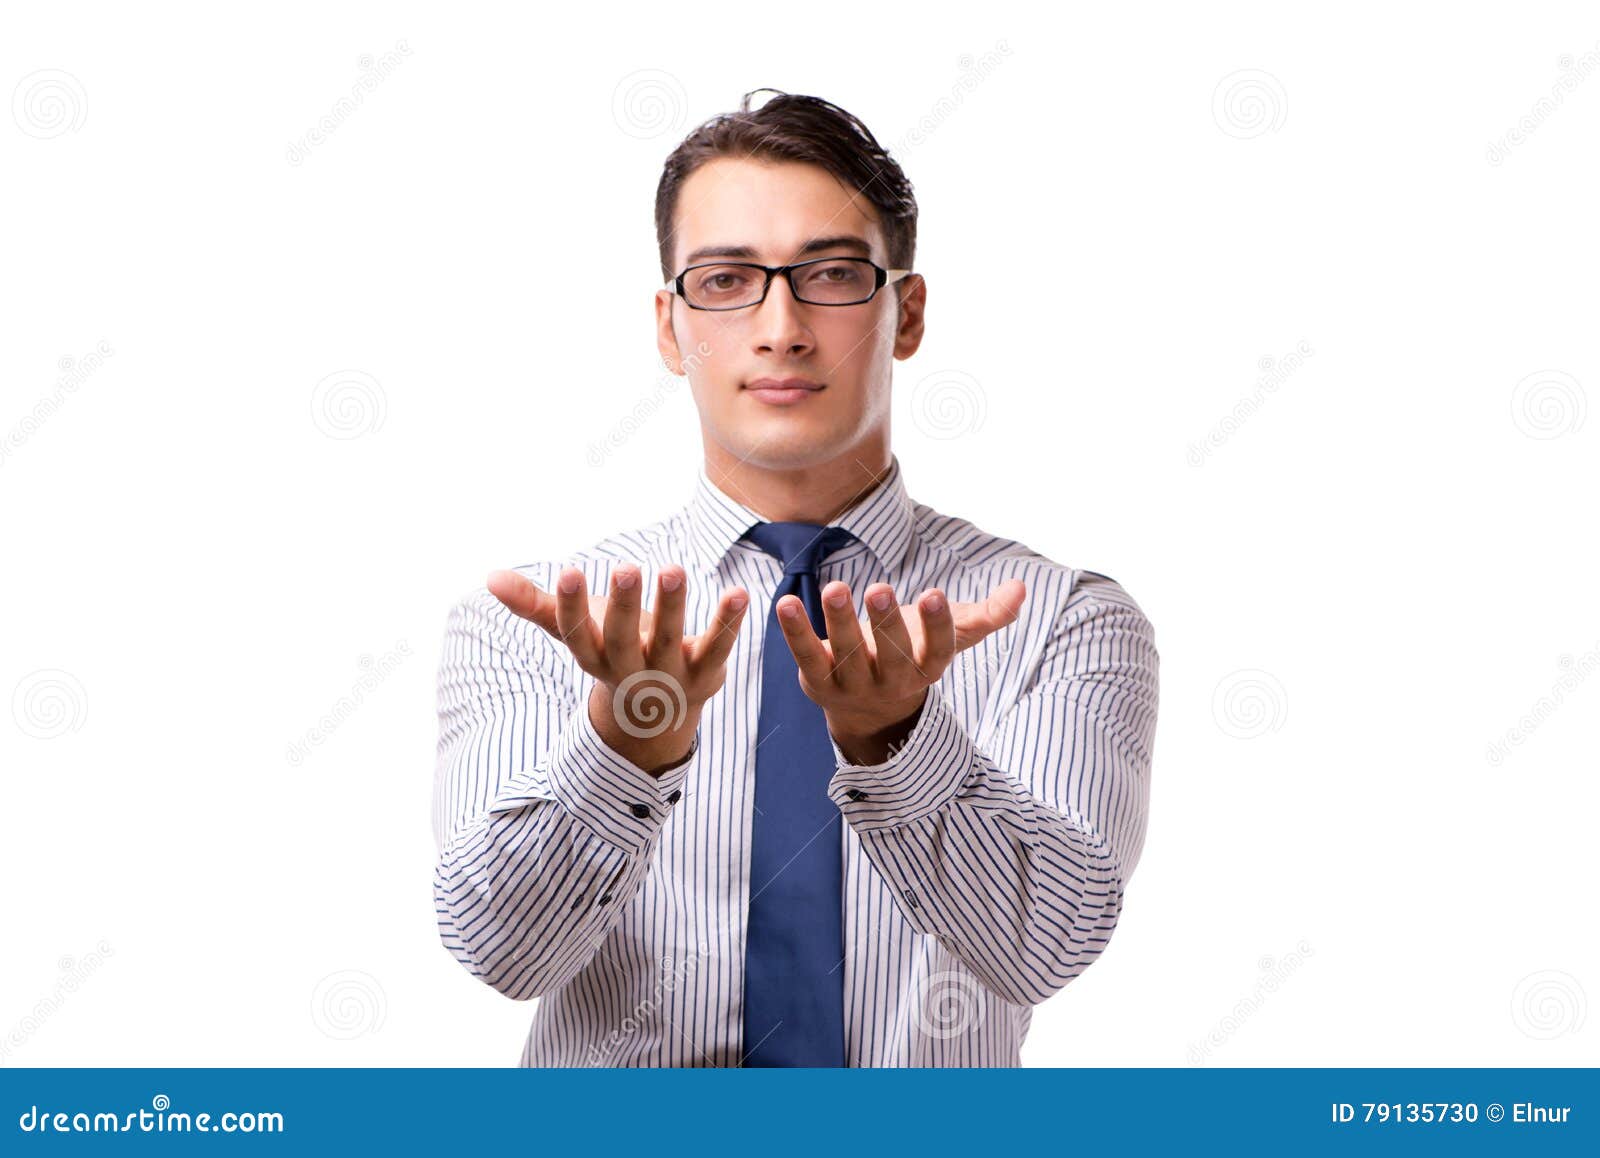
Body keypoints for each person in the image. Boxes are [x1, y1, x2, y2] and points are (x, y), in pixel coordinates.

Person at [431, 88, 1160, 1067]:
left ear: (906, 313)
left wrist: (896, 738)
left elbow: (1043, 947)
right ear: (667, 325)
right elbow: (500, 950)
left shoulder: (1056, 619)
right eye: (727, 280)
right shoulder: (537, 621)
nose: (781, 327)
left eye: (828, 274)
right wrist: (624, 740)